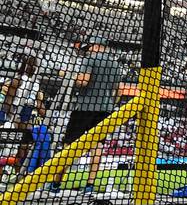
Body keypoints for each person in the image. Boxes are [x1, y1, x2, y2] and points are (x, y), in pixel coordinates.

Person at [60, 35, 125, 193]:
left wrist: (67, 75)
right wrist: (111, 103)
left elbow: (84, 81)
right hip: (105, 109)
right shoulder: (116, 64)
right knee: (97, 146)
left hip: (84, 107)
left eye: (90, 47)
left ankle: (56, 183)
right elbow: (120, 89)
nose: (88, 49)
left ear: (95, 46)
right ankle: (89, 185)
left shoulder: (90, 59)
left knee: (69, 145)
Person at [2, 51, 46, 173]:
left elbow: (38, 103)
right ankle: (10, 171)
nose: (32, 67)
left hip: (27, 111)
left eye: (34, 65)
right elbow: (8, 99)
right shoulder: (18, 79)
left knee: (25, 144)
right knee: (12, 145)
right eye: (30, 65)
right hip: (16, 110)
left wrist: (47, 117)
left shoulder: (36, 83)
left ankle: (21, 172)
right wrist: (11, 115)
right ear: (25, 66)